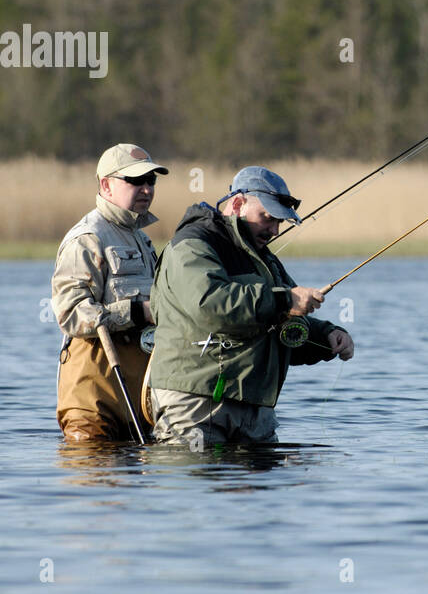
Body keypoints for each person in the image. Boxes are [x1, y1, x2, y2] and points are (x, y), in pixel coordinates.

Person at [148, 166, 354, 446]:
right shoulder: (194, 246)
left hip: (250, 408)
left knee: (263, 488)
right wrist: (285, 299)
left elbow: (280, 325)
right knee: (196, 488)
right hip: (197, 403)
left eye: (279, 222)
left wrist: (326, 337)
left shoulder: (263, 259)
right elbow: (211, 305)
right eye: (267, 218)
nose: (273, 229)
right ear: (237, 204)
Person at [51, 144, 168, 442]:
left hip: (136, 397)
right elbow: (71, 315)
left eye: (150, 181)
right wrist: (139, 312)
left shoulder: (141, 238)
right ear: (106, 184)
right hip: (93, 397)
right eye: (135, 180)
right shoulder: (87, 238)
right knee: (95, 482)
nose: (146, 189)